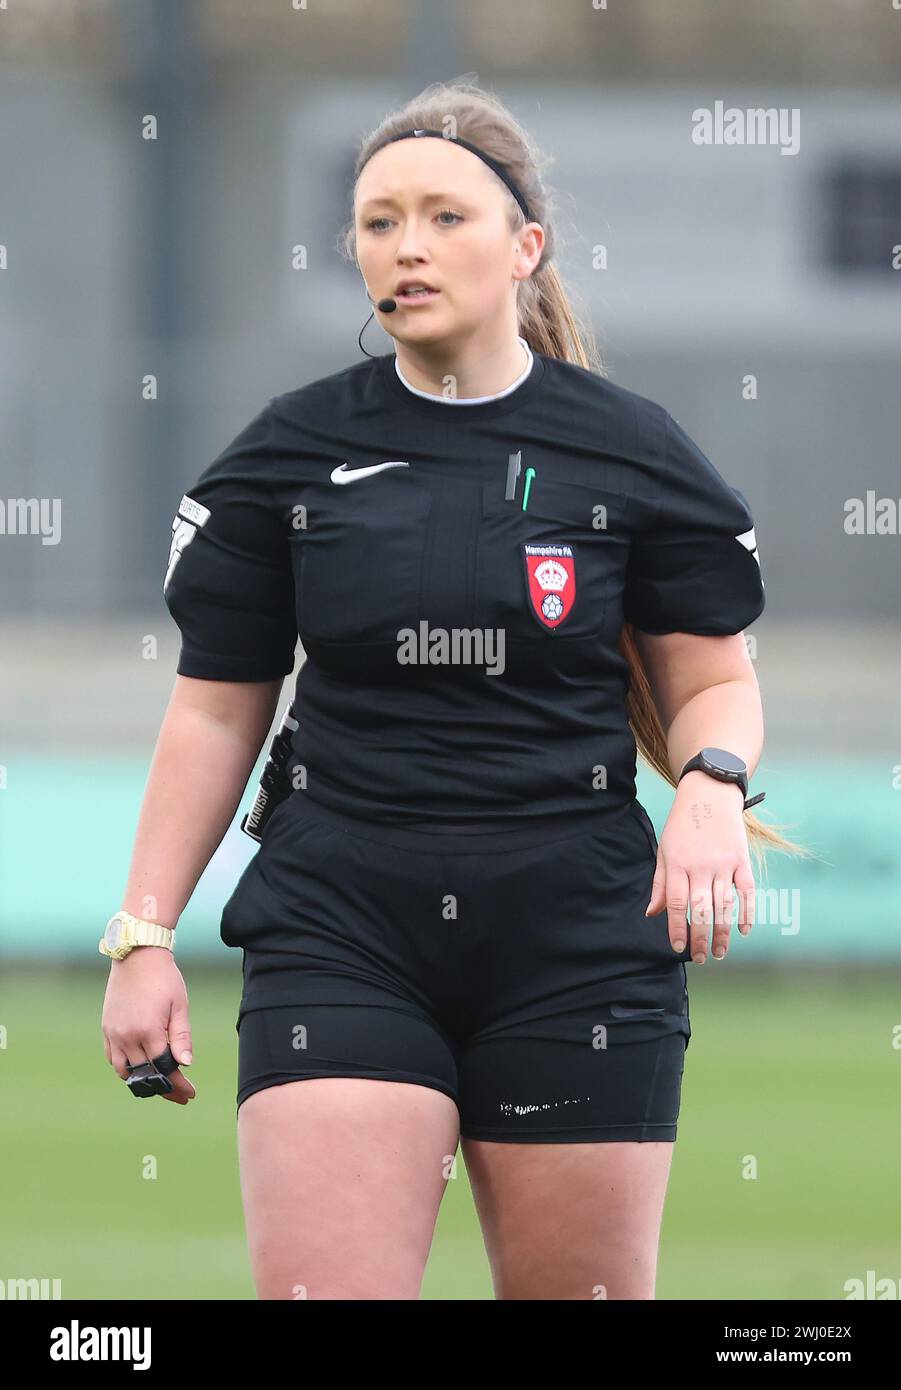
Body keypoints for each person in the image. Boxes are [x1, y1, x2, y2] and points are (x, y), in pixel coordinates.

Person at [101, 77, 805, 1301]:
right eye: (376, 222)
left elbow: (714, 685)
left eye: (442, 216)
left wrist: (709, 783)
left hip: (576, 942)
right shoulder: (289, 455)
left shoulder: (629, 449)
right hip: (342, 925)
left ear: (526, 247)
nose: (405, 247)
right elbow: (218, 706)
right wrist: (144, 934)